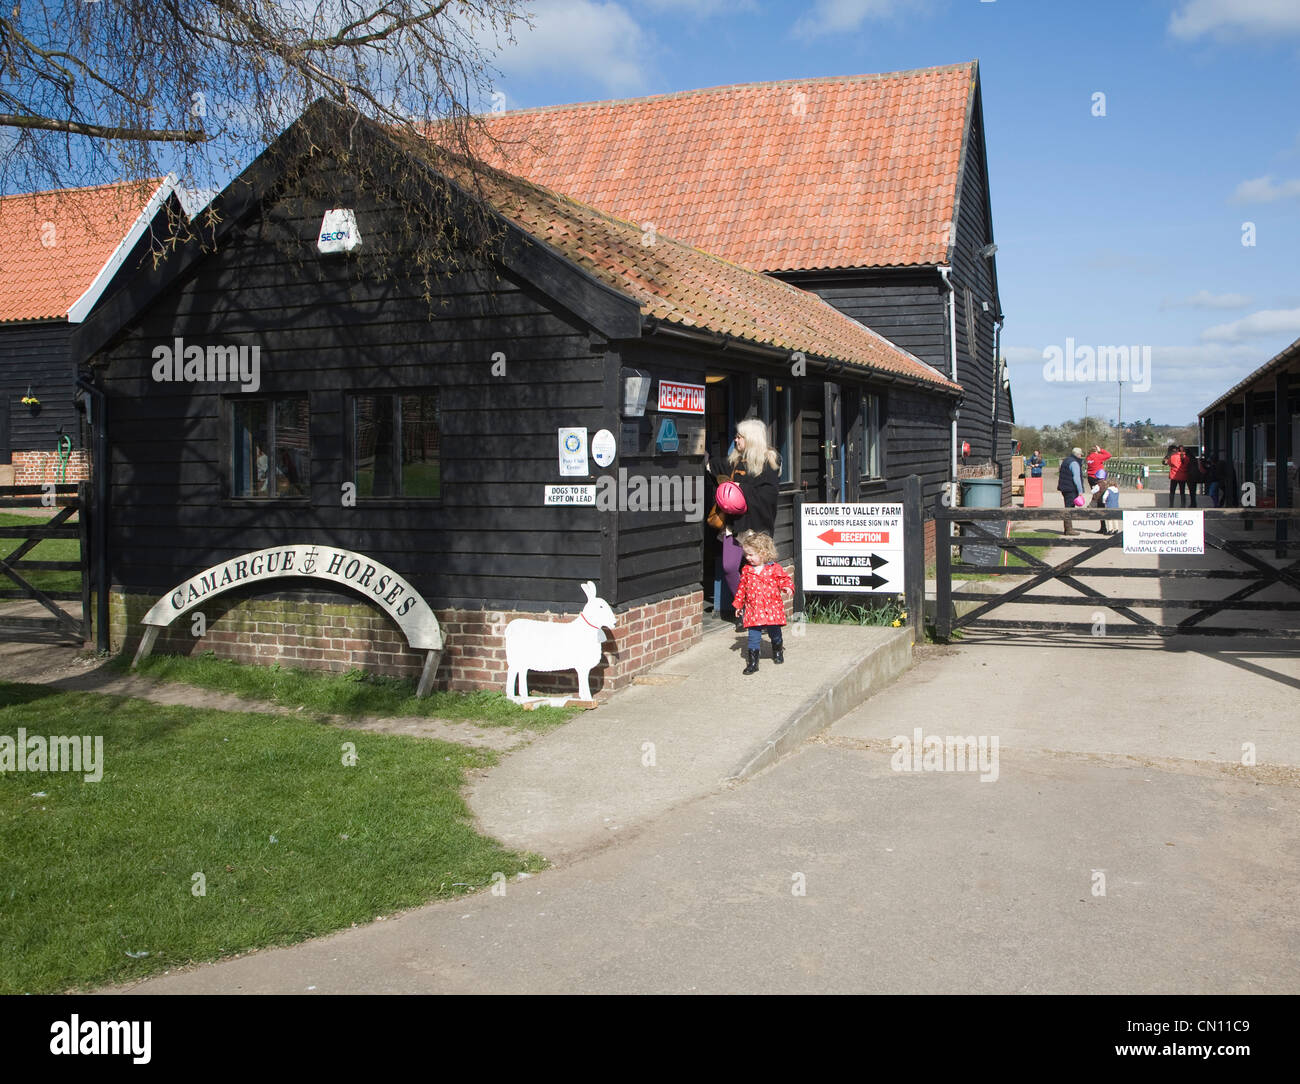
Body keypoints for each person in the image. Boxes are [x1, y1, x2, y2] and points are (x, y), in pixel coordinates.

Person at [718, 417, 780, 624]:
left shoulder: (768, 462)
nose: (735, 440)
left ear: (751, 439)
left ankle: (759, 612)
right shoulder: (734, 461)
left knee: (758, 569)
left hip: (756, 526)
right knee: (729, 567)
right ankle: (745, 606)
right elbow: (716, 466)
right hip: (734, 524)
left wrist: (740, 488)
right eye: (736, 436)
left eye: (739, 437)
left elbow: (768, 496)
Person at [732, 530, 794, 674]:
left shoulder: (774, 569)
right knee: (753, 636)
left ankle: (777, 650)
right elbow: (742, 589)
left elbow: (784, 579)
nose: (748, 558)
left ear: (764, 553)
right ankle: (753, 662)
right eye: (746, 554)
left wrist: (787, 587)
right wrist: (738, 604)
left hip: (772, 609)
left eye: (751, 554)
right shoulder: (747, 570)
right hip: (754, 610)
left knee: (775, 633)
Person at [1057, 446, 1085, 535]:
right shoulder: (1074, 463)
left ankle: (1068, 528)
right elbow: (1076, 478)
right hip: (1071, 488)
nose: (1081, 456)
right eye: (1081, 455)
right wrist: (1080, 491)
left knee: (1068, 506)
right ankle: (1069, 529)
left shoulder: (1066, 460)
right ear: (1078, 454)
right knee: (1069, 508)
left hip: (1064, 487)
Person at [1163, 443, 1195, 508]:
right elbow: (1188, 465)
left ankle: (1171, 505)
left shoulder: (1173, 457)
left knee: (1172, 491)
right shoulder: (1186, 458)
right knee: (1182, 491)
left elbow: (1168, 463)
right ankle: (1183, 504)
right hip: (1183, 477)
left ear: (1177, 450)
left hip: (1174, 476)